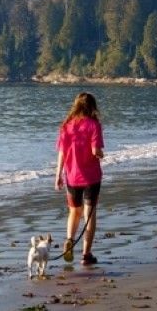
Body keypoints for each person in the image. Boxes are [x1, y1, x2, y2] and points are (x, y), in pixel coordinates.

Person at [55, 91, 105, 265]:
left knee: (74, 213)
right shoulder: (94, 125)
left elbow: (61, 153)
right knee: (90, 216)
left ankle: (70, 239)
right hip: (91, 177)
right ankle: (86, 255)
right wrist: (101, 155)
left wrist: (58, 175)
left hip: (71, 177)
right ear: (92, 107)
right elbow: (95, 151)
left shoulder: (67, 126)